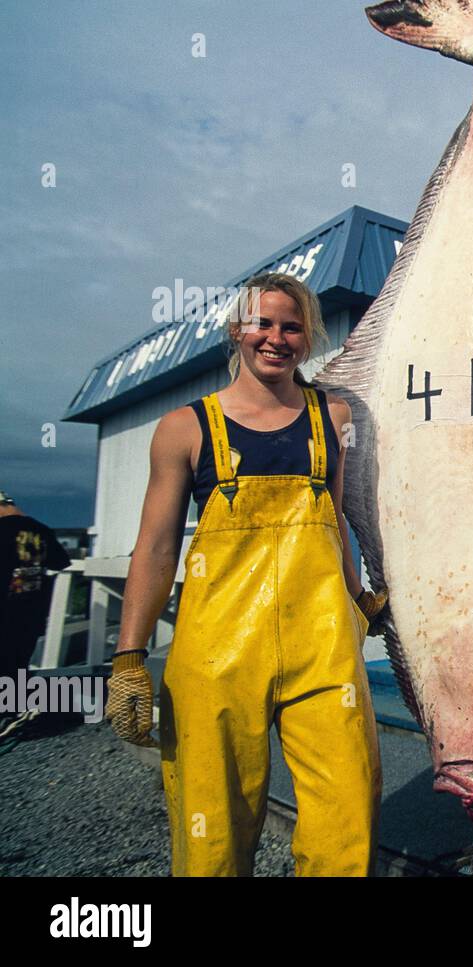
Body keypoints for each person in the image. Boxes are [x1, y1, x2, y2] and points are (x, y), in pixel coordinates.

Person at [106, 273, 387, 876]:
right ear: (237, 330)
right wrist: (129, 657)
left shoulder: (332, 417)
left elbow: (334, 522)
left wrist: (361, 597)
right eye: (262, 323)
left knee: (347, 813)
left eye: (291, 326)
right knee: (213, 829)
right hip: (215, 657)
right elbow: (154, 549)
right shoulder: (185, 427)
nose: (276, 338)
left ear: (308, 338)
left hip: (325, 650)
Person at [0, 491, 73, 736]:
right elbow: (61, 562)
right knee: (17, 662)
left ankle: (14, 717)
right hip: (30, 612)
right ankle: (19, 714)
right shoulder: (40, 529)